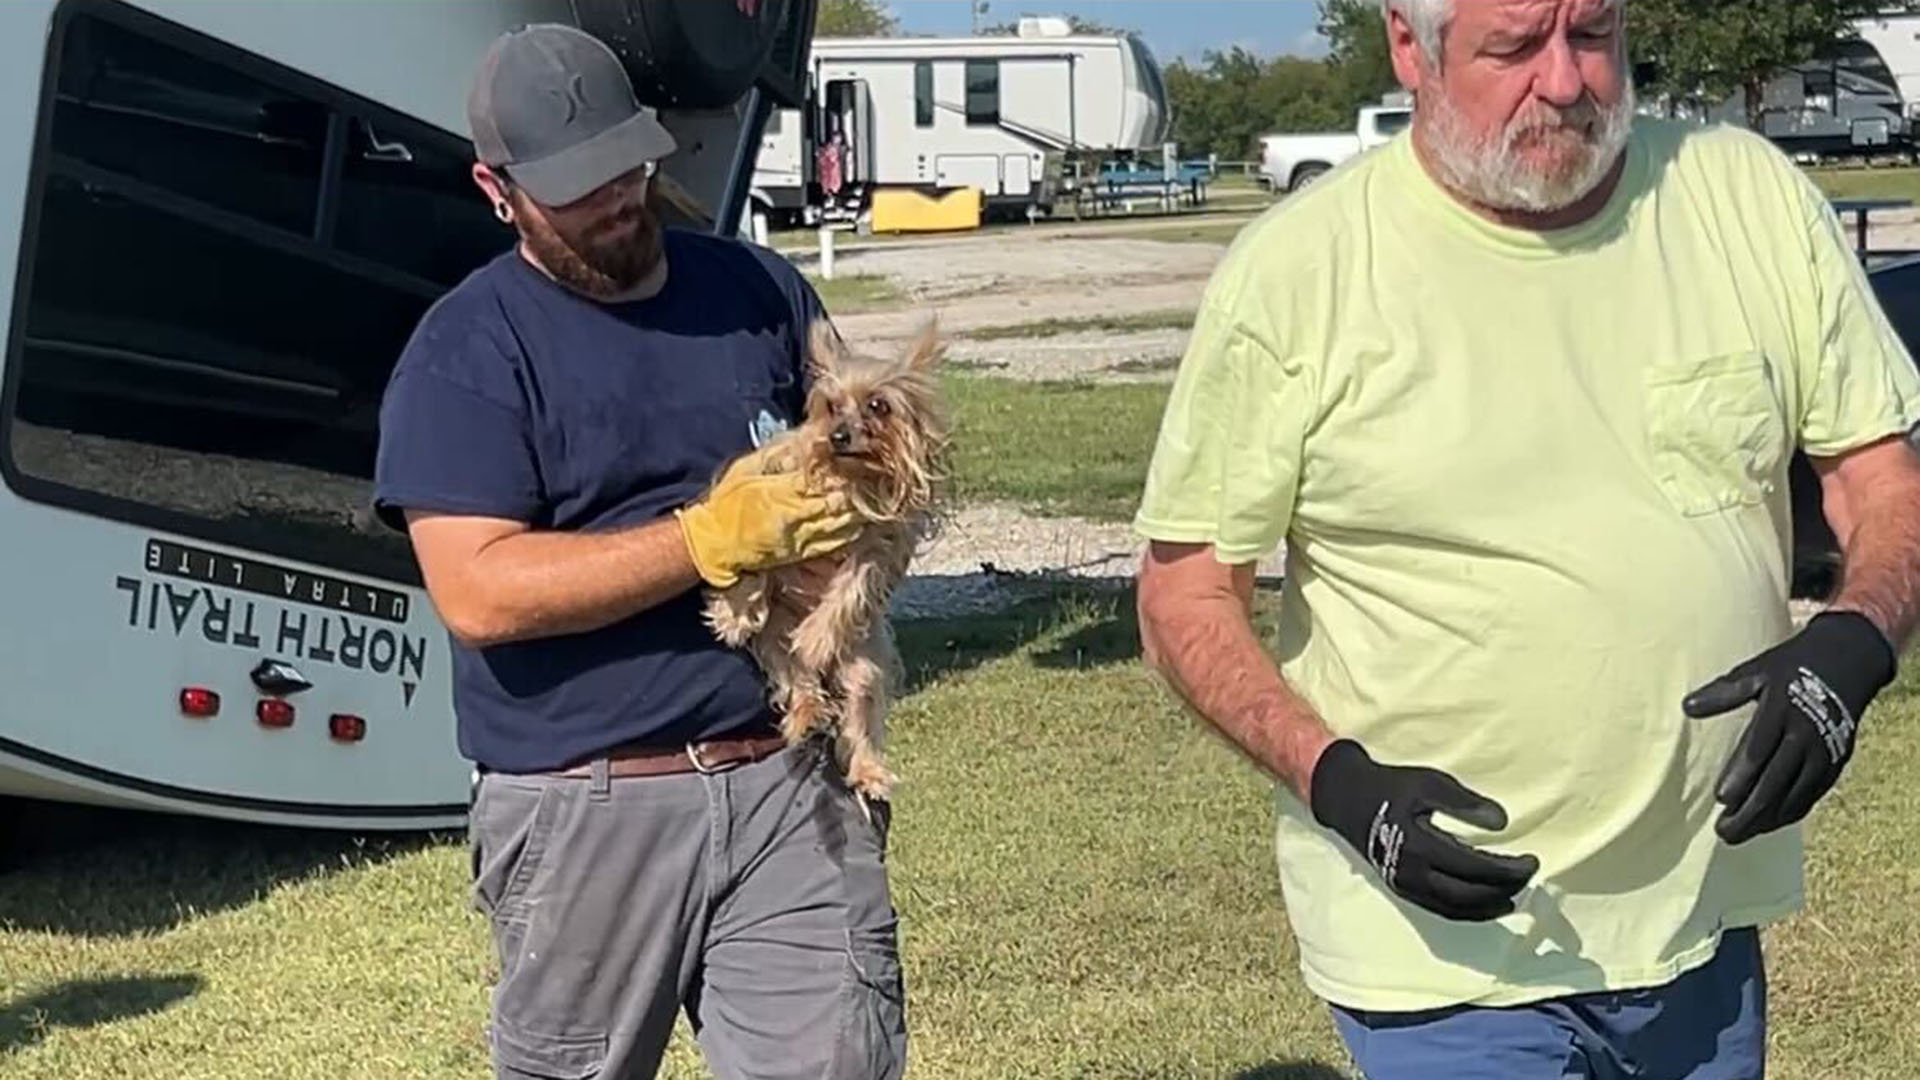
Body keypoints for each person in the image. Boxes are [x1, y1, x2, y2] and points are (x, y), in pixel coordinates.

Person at [1132, 0, 1920, 1075]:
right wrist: (1341, 787)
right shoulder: (1300, 273)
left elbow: (1882, 482)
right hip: (1439, 951)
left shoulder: (1744, 200)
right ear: (1410, 48)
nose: (1565, 81)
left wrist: (1854, 646)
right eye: (1514, 47)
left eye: (1592, 35)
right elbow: (1182, 597)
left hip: (1699, 918)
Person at [370, 23, 907, 1080]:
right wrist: (707, 542)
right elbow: (478, 591)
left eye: (626, 164)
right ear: (497, 189)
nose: (616, 198)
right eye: (576, 186)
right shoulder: (466, 352)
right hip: (584, 805)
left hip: (784, 776)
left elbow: (860, 455)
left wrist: (865, 519)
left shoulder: (756, 294)